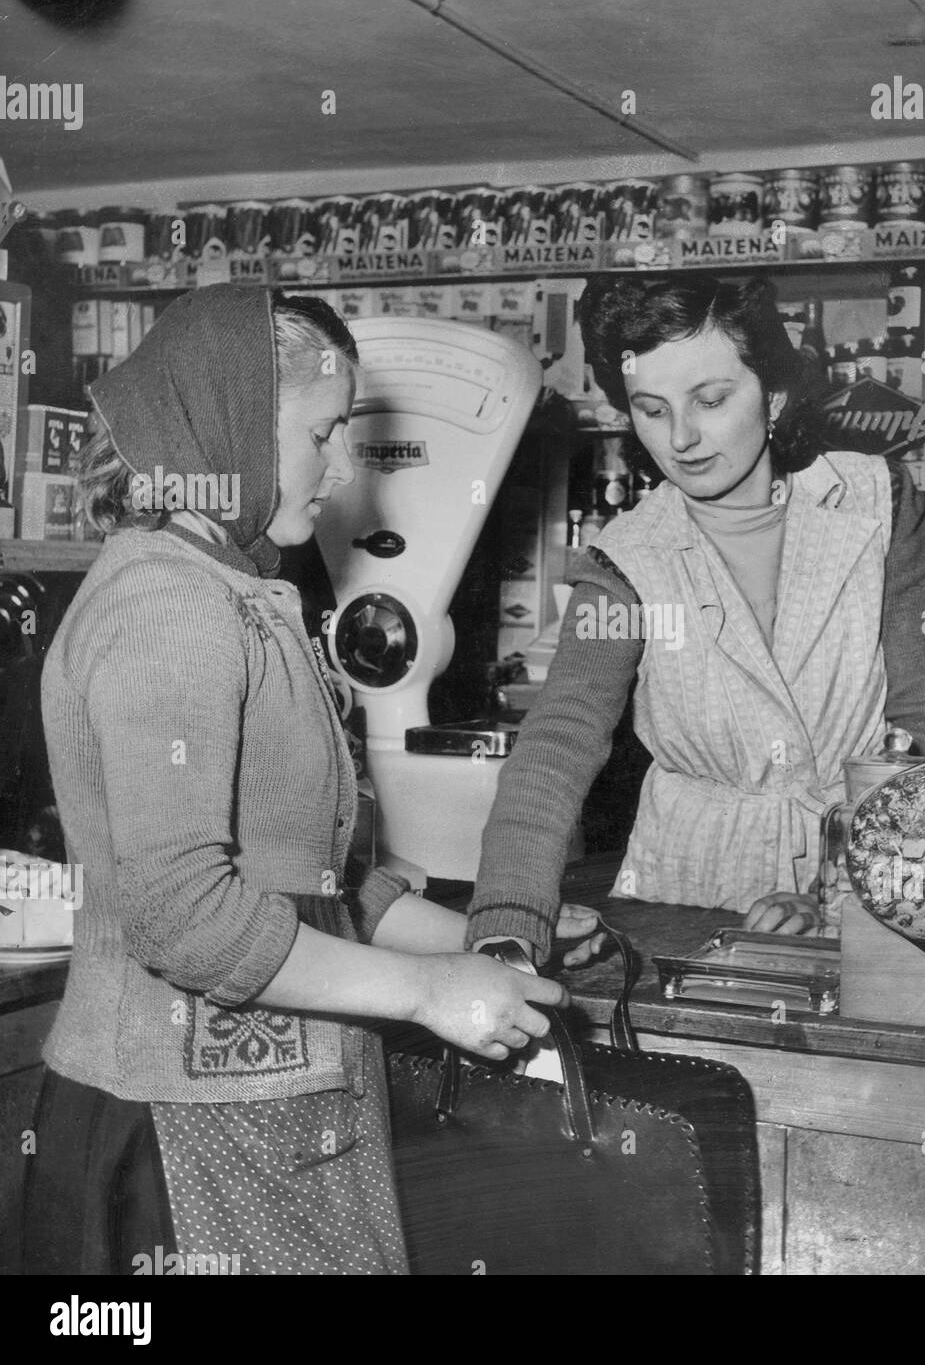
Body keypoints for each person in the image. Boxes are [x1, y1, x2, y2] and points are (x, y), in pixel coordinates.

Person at [22, 284, 597, 1276]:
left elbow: (308, 878)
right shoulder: (169, 608)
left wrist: (471, 950)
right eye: (321, 432)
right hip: (181, 1129)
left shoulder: (230, 592)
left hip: (265, 1117)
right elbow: (183, 916)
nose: (340, 471)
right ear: (231, 421)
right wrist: (423, 992)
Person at [466, 274, 925, 958]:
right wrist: (507, 923)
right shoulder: (626, 563)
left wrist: (838, 884)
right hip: (683, 900)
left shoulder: (875, 502)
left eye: (711, 399)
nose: (683, 438)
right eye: (651, 409)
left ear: (774, 394)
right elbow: (558, 743)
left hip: (871, 884)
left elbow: (922, 725)